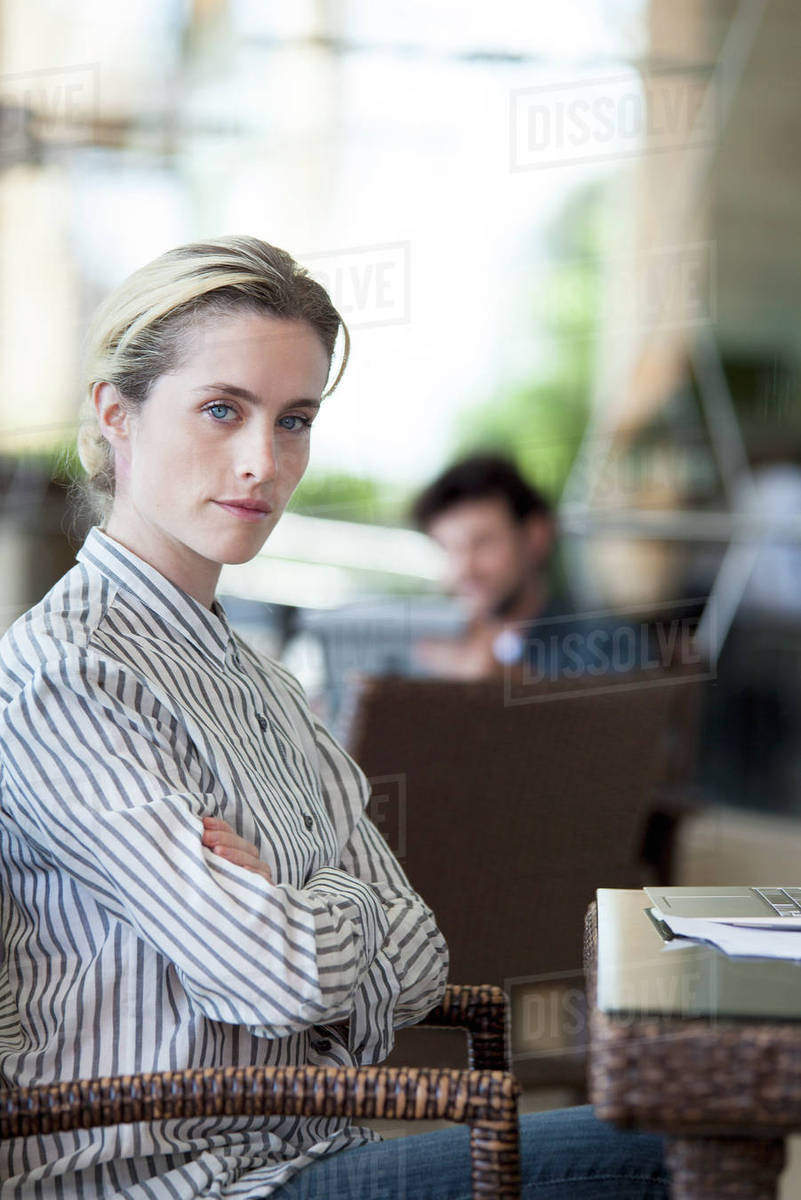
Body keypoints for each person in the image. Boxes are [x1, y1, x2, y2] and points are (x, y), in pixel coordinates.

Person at [0, 236, 668, 1198]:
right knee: (656, 1155)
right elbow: (281, 978)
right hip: (176, 1180)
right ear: (118, 415)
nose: (261, 462)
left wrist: (294, 904)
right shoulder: (67, 679)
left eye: (294, 420)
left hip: (312, 1148)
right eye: (221, 410)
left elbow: (421, 946)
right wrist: (336, 909)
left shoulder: (261, 681)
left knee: (665, 1136)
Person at [411, 454, 569, 679]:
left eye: (482, 543)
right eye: (449, 549)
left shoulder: (606, 646)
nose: (464, 569)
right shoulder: (439, 652)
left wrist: (498, 683)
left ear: (536, 536)